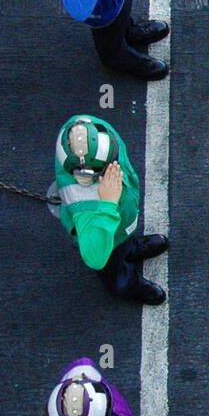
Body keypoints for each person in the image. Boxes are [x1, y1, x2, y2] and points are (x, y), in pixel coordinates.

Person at [54, 114, 167, 304]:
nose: (115, 165)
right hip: (104, 236)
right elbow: (95, 258)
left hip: (118, 226)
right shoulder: (85, 206)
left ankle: (129, 247)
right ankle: (127, 284)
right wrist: (107, 205)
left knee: (122, 244)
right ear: (86, 175)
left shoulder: (83, 129)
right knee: (112, 266)